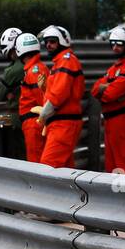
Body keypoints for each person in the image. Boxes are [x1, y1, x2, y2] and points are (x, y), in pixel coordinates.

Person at [91, 24, 125, 176]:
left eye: (119, 44)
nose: (115, 47)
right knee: (112, 164)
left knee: (124, 163)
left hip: (121, 120)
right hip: (110, 120)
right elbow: (95, 90)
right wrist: (104, 88)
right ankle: (117, 197)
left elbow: (108, 95)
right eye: (112, 44)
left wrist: (104, 88)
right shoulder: (115, 68)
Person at [36, 24, 84, 170]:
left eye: (52, 41)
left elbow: (60, 93)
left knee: (48, 167)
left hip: (63, 124)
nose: (48, 45)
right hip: (60, 122)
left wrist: (44, 114)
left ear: (62, 41)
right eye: (46, 42)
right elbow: (58, 90)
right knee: (65, 170)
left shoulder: (66, 60)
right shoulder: (60, 63)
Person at [13, 31, 49, 163]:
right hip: (35, 122)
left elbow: (42, 97)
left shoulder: (34, 70)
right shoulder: (38, 67)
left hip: (34, 123)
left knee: (36, 162)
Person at [0, 27, 25, 158]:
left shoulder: (12, 70)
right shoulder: (35, 64)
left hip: (18, 118)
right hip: (37, 117)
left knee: (18, 155)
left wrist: (10, 93)